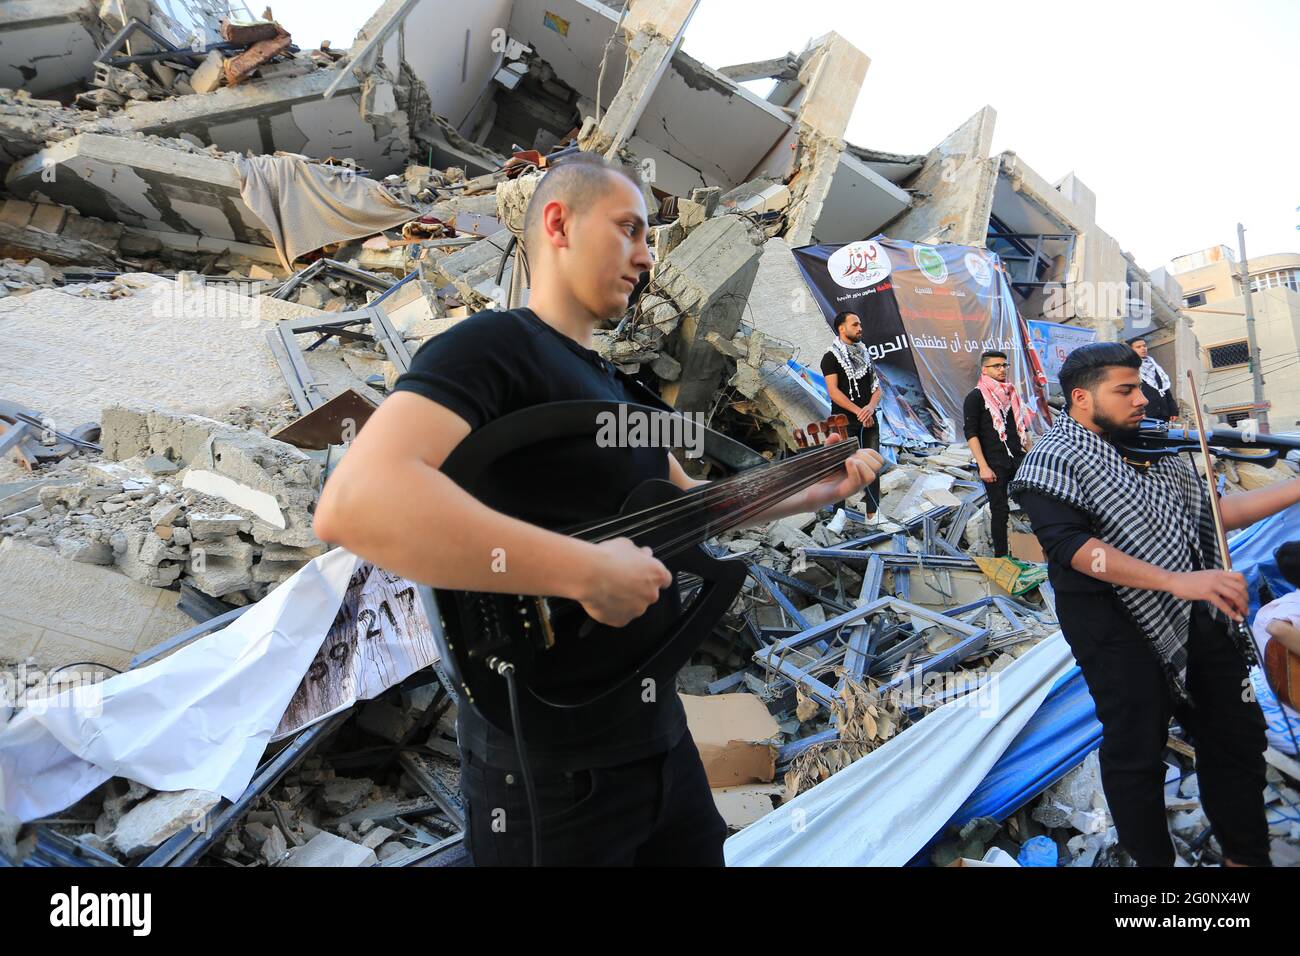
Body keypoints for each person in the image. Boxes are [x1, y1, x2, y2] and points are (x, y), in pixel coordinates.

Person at [312, 153, 882, 866]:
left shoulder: (625, 390)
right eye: (630, 230)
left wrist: (808, 488)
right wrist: (580, 571)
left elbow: (691, 509)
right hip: (548, 773)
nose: (646, 256)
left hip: (659, 744)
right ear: (558, 222)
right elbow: (357, 502)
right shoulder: (494, 347)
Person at [1011, 341, 1300, 866]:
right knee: (1137, 753)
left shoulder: (1153, 452)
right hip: (1114, 625)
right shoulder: (1051, 460)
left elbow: (1216, 513)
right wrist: (1176, 581)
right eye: (1124, 390)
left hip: (1196, 611)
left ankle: (1245, 857)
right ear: (1080, 398)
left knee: (1237, 737)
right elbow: (1072, 548)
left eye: (1140, 386)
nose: (1140, 399)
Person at [963, 350, 1032, 558]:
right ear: (985, 369)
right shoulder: (976, 397)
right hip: (993, 462)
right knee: (1000, 510)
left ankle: (1042, 549)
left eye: (1004, 365)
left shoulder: (1011, 394)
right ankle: (1002, 557)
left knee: (1036, 500)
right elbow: (971, 433)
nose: (1002, 369)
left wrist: (1032, 455)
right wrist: (983, 466)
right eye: (997, 366)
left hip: (1017, 457)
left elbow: (1022, 427)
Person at [821, 311, 883, 519]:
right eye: (855, 325)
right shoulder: (831, 357)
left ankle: (873, 515)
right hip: (843, 421)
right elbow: (833, 392)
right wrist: (859, 411)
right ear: (842, 328)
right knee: (842, 469)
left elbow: (877, 388)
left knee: (872, 466)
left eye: (860, 324)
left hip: (869, 420)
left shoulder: (864, 354)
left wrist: (870, 408)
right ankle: (839, 516)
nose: (860, 328)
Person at [1252, 541, 1300, 755]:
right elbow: (1277, 628)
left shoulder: (1270, 607)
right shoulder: (1294, 607)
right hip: (1292, 701)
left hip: (1278, 696)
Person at [1130, 337, 1178, 422]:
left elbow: (1165, 389)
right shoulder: (1131, 368)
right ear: (1131, 350)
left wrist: (1173, 411)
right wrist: (1138, 412)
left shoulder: (1155, 366)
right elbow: (1131, 394)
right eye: (1138, 347)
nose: (1143, 348)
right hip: (1146, 414)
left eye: (1144, 346)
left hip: (1163, 412)